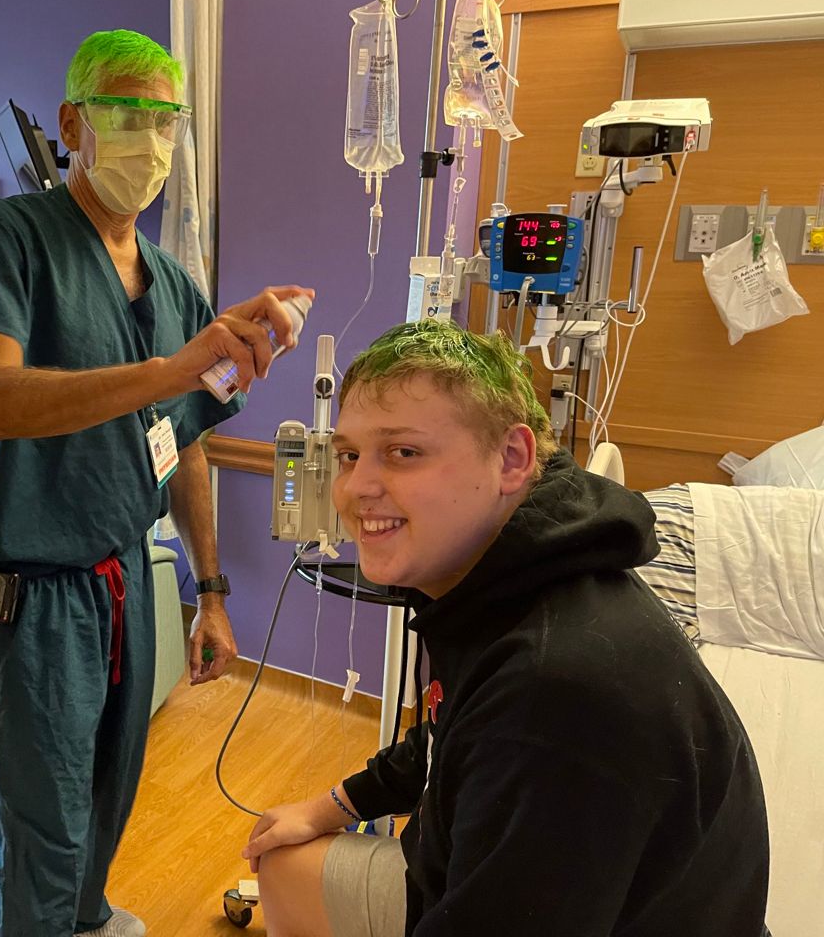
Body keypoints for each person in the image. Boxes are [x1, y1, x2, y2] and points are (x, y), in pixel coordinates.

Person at [0, 30, 313, 937]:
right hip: (29, 599)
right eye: (129, 117)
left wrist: (209, 594)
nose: (151, 143)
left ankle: (86, 922)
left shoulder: (171, 283)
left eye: (166, 123)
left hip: (130, 578)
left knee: (102, 815)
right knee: (39, 840)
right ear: (73, 124)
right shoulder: (1, 236)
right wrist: (177, 365)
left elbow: (188, 445)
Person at [242, 319, 769, 937]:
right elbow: (451, 733)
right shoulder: (501, 587)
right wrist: (336, 804)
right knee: (283, 857)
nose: (357, 488)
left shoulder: (555, 690)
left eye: (404, 452)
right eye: (351, 455)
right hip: (487, 875)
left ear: (512, 459)